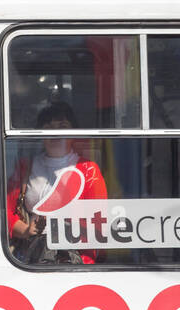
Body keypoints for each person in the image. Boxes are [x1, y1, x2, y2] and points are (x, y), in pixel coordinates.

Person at [6, 101, 108, 263]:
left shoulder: (88, 170)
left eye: (62, 126)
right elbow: (5, 212)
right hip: (32, 260)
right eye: (48, 127)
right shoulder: (25, 166)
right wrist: (25, 230)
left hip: (74, 260)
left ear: (73, 133)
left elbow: (99, 222)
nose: (55, 133)